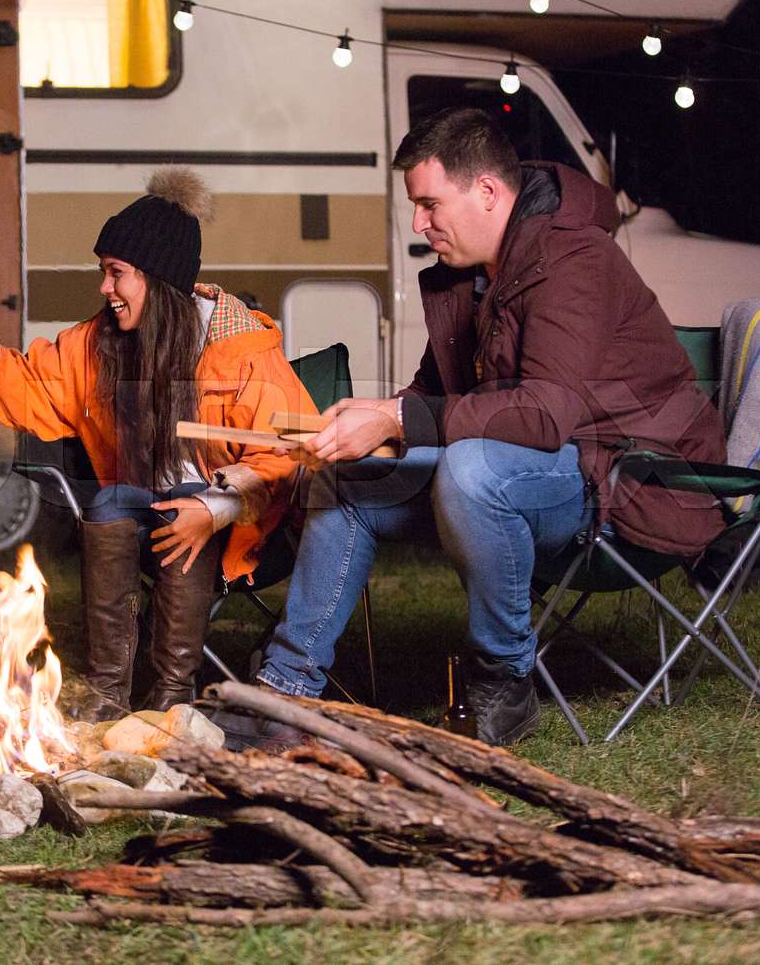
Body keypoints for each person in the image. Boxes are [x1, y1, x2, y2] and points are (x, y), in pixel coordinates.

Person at [226, 107, 725, 749]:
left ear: (487, 192)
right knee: (348, 479)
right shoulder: (473, 277)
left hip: (631, 476)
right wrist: (369, 418)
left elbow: (545, 413)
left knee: (471, 471)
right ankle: (285, 691)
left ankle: (505, 680)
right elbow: (433, 396)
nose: (418, 223)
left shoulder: (575, 258)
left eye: (430, 204)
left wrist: (398, 418)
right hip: (540, 470)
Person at [0, 168, 316, 720]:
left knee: (183, 494)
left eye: (116, 274)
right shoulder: (97, 343)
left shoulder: (239, 350)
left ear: (157, 280)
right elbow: (31, 389)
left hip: (237, 525)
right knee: (107, 504)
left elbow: (289, 451)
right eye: (103, 272)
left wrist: (215, 506)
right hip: (141, 511)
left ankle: (173, 693)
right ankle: (108, 692)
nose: (104, 288)